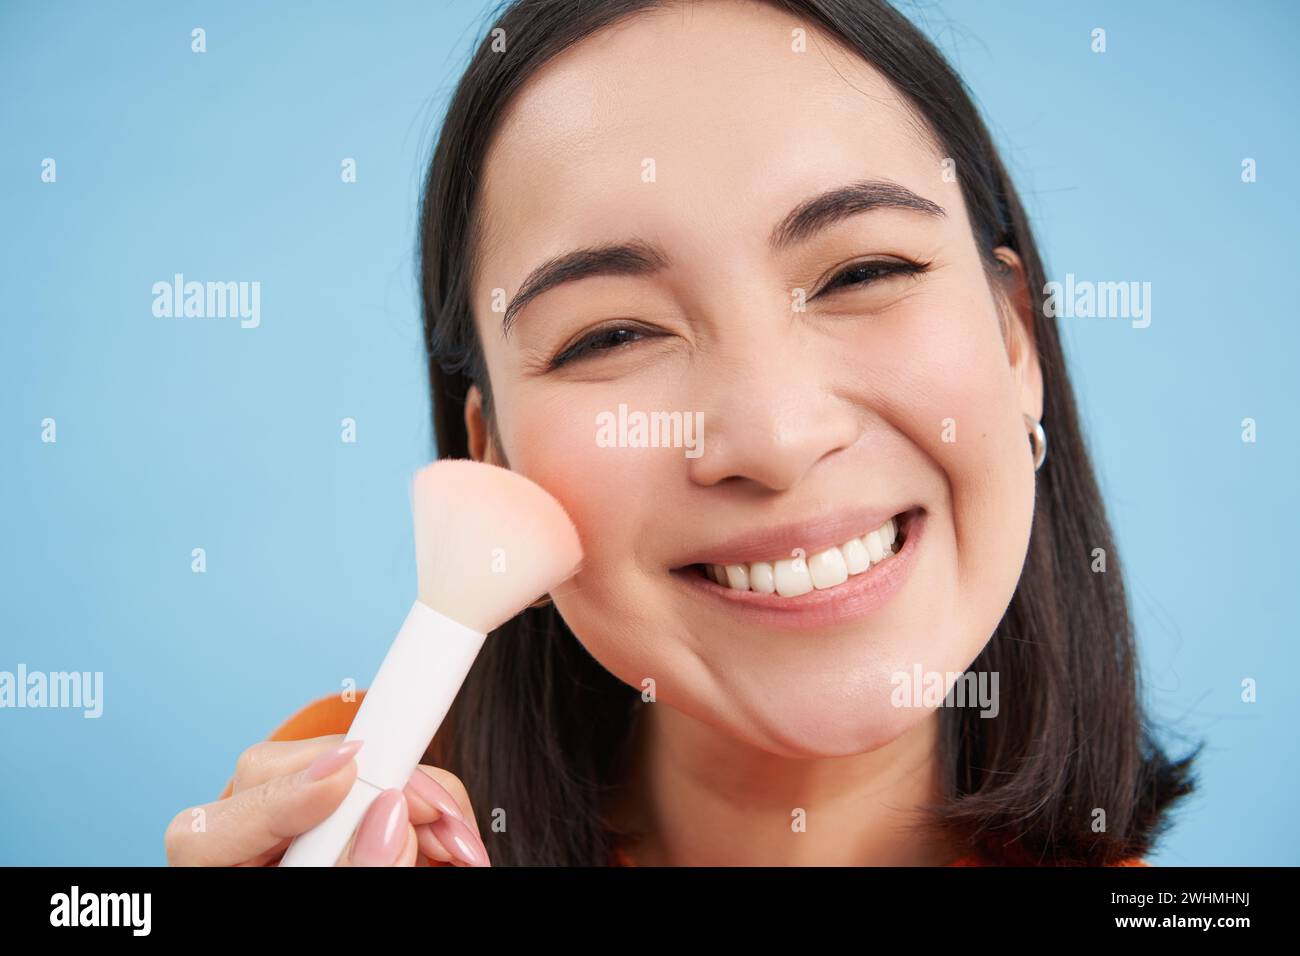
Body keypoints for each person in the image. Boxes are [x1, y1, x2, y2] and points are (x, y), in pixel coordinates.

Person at [166, 0, 1198, 868]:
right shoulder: (346, 815)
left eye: (862, 273)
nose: (775, 435)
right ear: (493, 457)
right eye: (612, 332)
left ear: (1015, 335)